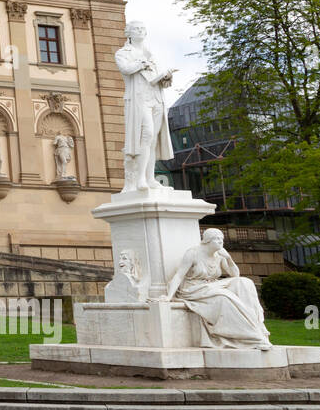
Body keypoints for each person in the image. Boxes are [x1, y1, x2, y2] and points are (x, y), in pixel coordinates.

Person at [155, 228, 272, 349]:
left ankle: (258, 327)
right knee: (224, 297)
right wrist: (169, 296)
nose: (220, 242)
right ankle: (251, 336)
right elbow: (179, 275)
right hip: (193, 288)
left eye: (222, 239)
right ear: (207, 241)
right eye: (217, 239)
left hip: (213, 284)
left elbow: (235, 275)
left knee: (245, 282)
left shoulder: (220, 255)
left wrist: (229, 258)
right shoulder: (193, 253)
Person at [114, 20, 175, 190]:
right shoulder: (123, 53)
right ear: (129, 33)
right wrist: (142, 64)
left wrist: (166, 77)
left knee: (153, 139)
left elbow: (158, 77)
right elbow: (125, 69)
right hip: (139, 99)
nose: (140, 31)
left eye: (142, 29)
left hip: (156, 98)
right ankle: (139, 179)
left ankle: (150, 178)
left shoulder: (151, 54)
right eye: (136, 29)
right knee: (146, 135)